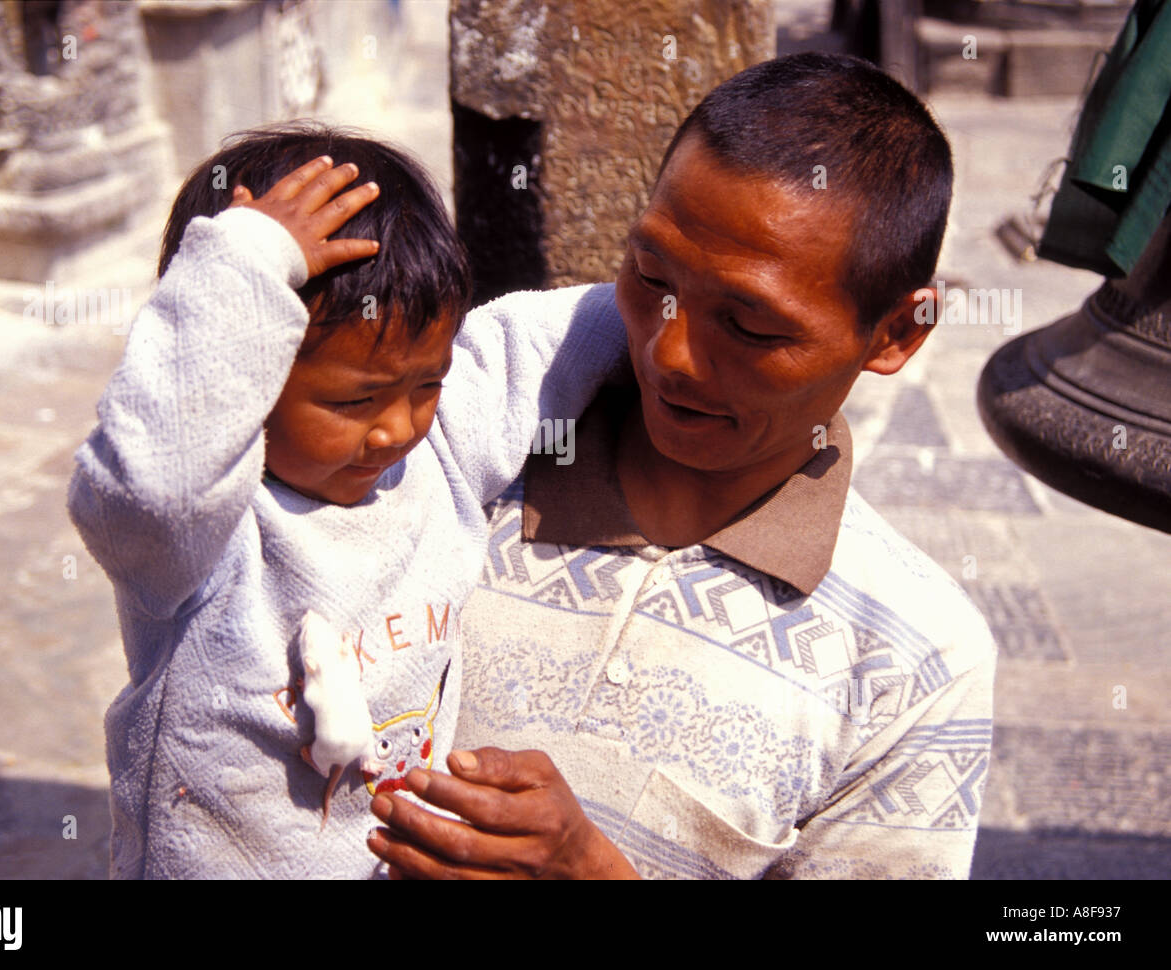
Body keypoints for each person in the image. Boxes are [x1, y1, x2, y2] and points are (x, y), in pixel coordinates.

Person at [365, 52, 998, 879]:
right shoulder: (462, 468)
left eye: (750, 326)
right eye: (651, 275)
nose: (670, 355)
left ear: (897, 334)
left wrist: (594, 873)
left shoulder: (916, 659)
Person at [67, 124, 627, 878]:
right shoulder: (204, 534)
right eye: (354, 399)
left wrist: (676, 290)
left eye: (425, 384)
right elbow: (148, 484)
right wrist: (246, 262)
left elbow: (545, 338)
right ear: (248, 373)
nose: (396, 429)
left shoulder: (443, 453)